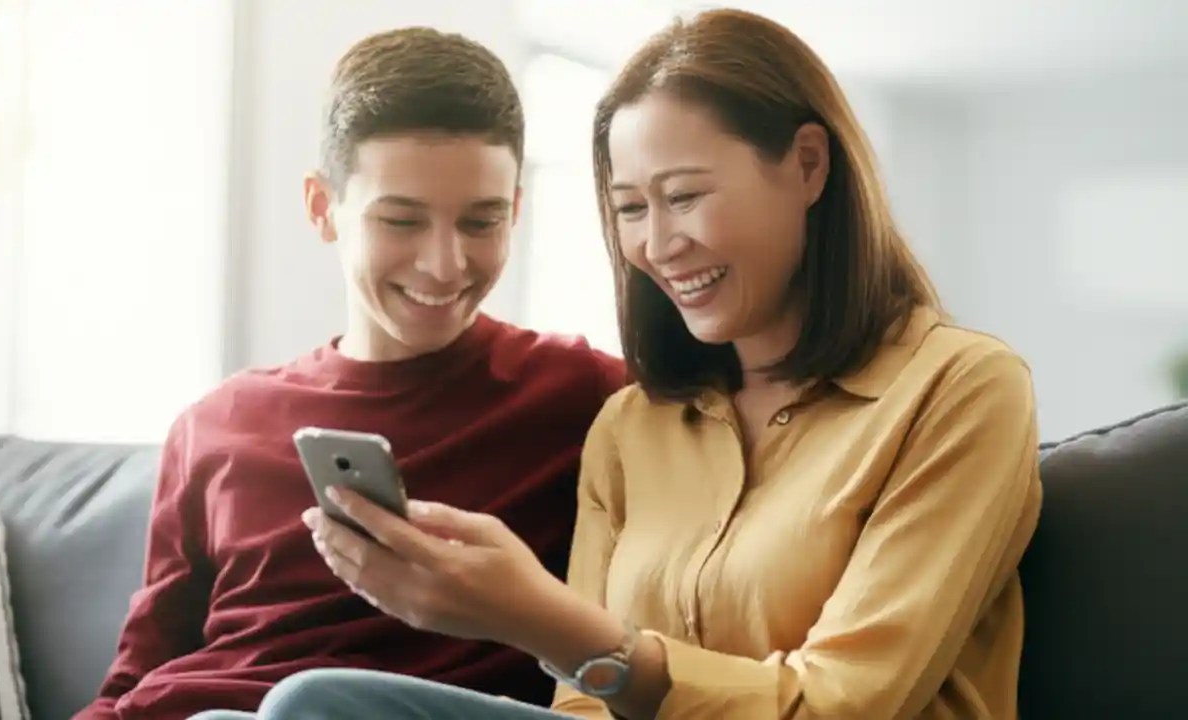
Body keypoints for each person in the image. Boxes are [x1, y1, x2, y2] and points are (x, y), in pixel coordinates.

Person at [221, 7, 1045, 720]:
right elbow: (584, 708)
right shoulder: (633, 421)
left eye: (685, 196)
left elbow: (847, 703)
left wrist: (542, 619)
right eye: (629, 208)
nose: (658, 244)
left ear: (807, 165)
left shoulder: (959, 389)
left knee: (311, 708)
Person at [75, 27, 626, 720]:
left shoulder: (584, 398)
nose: (445, 264)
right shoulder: (215, 425)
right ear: (321, 208)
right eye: (401, 221)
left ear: (516, 211)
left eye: (481, 223)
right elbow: (135, 680)